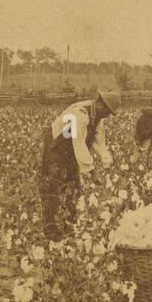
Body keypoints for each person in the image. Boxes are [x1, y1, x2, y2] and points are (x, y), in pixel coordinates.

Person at [39, 90, 120, 241]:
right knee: (53, 187)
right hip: (56, 147)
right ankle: (51, 230)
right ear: (101, 103)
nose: (108, 116)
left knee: (73, 188)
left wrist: (107, 163)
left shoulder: (98, 119)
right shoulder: (80, 114)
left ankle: (70, 225)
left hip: (71, 151)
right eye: (108, 112)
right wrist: (92, 171)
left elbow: (100, 143)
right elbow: (79, 144)